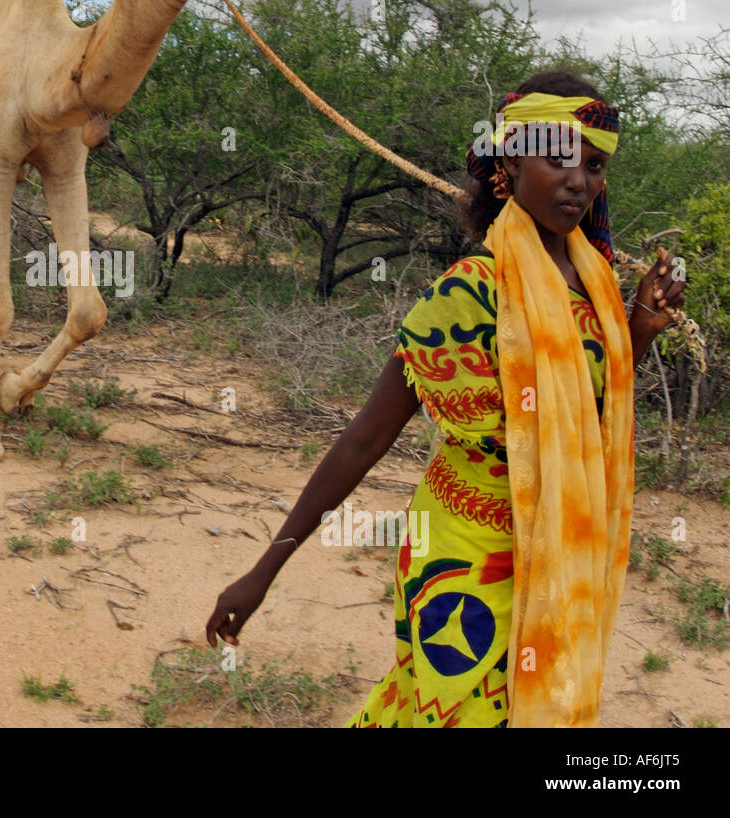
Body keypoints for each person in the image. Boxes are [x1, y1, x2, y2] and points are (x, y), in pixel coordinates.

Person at [204, 71, 686, 727]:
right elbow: (365, 439)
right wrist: (263, 571)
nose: (579, 179)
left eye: (594, 164)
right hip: (463, 553)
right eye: (559, 157)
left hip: (554, 563)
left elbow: (587, 422)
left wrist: (638, 332)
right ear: (512, 160)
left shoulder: (596, 288)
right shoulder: (471, 294)